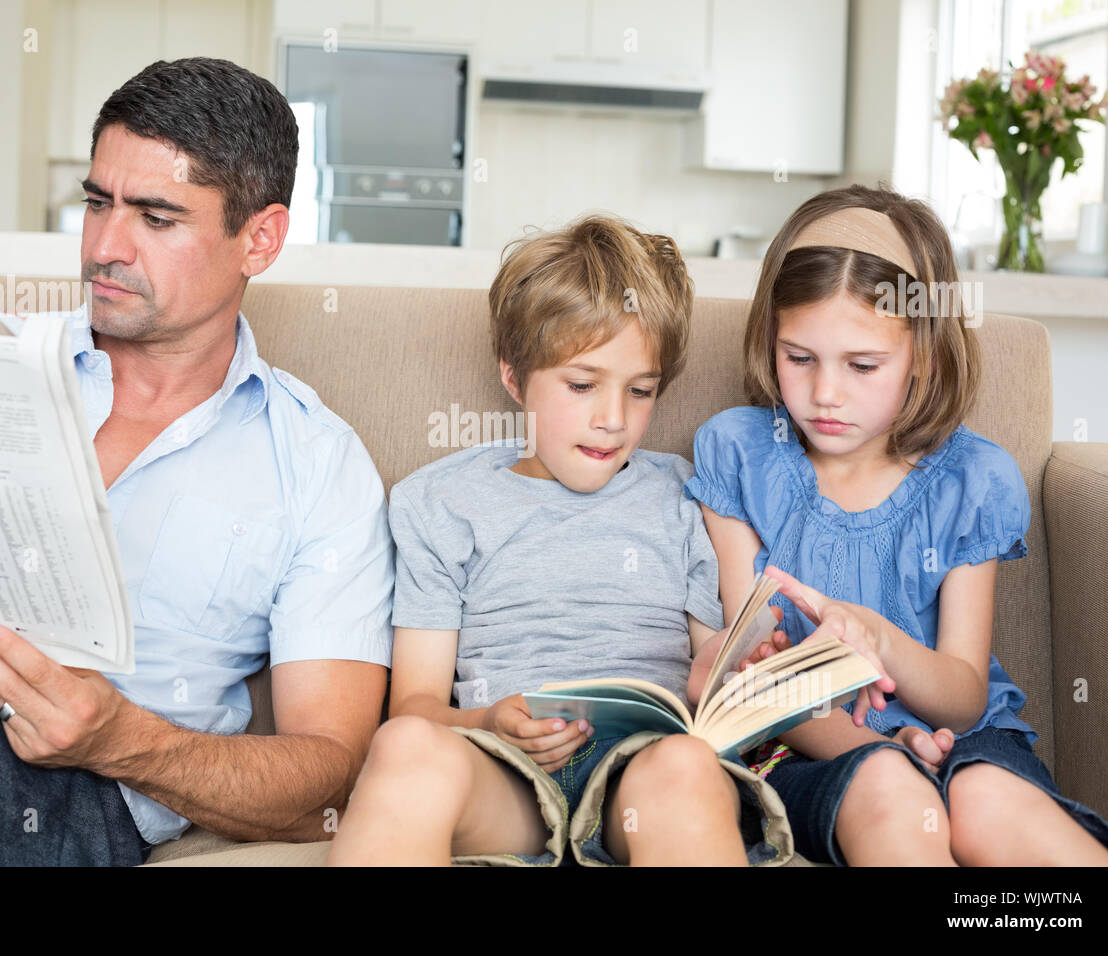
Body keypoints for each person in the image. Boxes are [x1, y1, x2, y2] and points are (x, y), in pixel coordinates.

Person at [0, 58, 394, 865]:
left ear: (260, 238)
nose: (104, 247)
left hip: (67, 801)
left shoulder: (318, 466)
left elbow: (329, 772)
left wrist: (122, 740)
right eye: (98, 204)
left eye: (156, 219)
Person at [687, 182, 1108, 865]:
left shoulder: (970, 480)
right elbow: (752, 682)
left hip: (964, 738)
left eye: (863, 365)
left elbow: (959, 697)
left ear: (922, 352)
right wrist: (882, 747)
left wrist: (883, 642)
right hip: (809, 745)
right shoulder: (742, 455)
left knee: (987, 806)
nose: (824, 394)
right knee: (893, 794)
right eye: (798, 357)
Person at [326, 216, 793, 867]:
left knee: (686, 764)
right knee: (405, 745)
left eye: (641, 391)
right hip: (508, 777)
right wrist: (489, 723)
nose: (613, 419)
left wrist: (739, 666)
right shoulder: (439, 503)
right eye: (582, 385)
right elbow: (416, 705)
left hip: (646, 774)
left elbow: (704, 668)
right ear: (514, 378)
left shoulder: (685, 496)